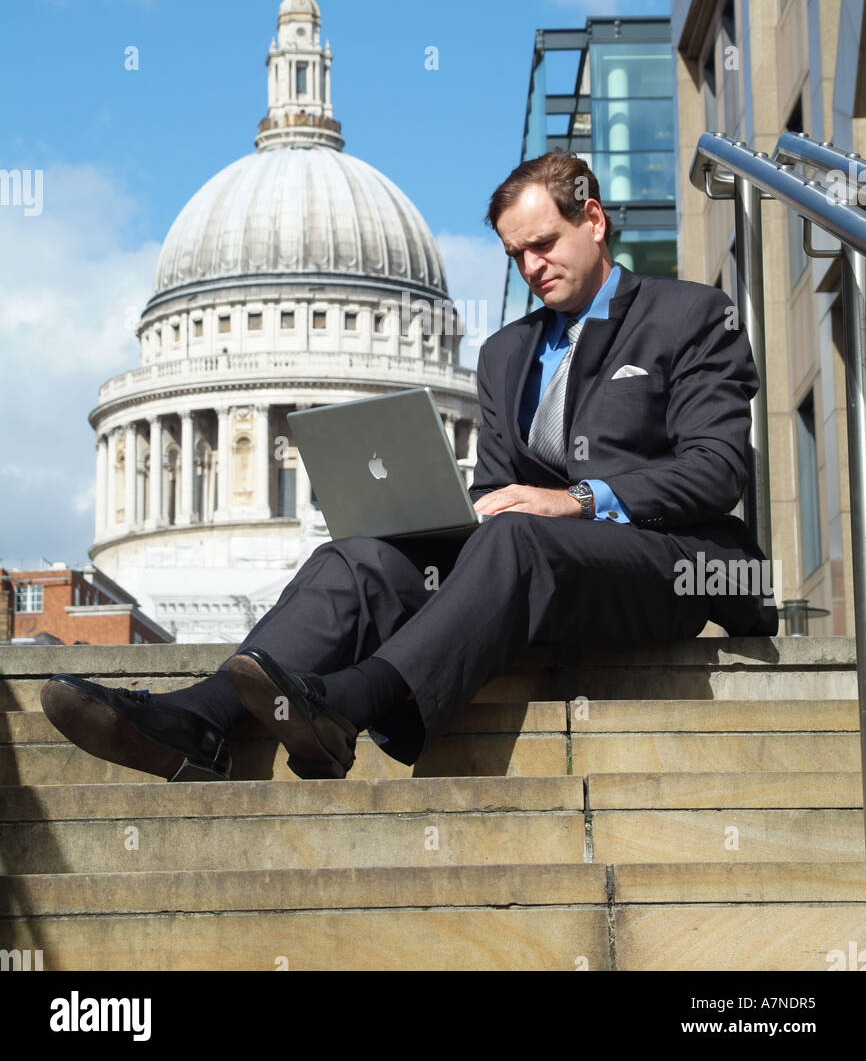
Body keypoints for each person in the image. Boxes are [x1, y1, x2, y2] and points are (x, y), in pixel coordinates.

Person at [41, 151, 778, 782]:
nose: (531, 266)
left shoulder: (689, 316)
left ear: (593, 220)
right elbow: (497, 491)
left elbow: (717, 472)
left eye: (545, 243)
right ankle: (197, 720)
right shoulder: (505, 354)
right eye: (516, 255)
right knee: (360, 557)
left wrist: (580, 499)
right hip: (529, 571)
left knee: (519, 537)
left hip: (661, 565)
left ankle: (352, 705)